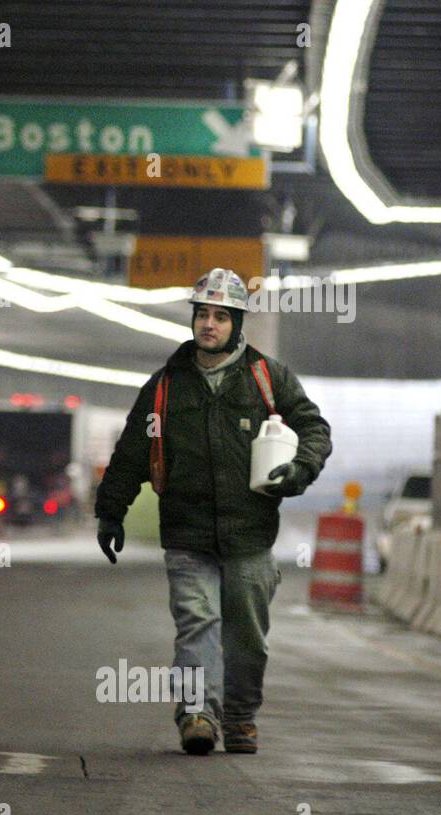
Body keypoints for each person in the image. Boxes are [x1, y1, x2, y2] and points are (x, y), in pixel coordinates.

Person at [93, 268, 332, 755]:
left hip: (250, 533)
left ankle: (241, 717)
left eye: (221, 316)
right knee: (197, 622)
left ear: (237, 324)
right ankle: (197, 714)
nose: (209, 325)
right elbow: (133, 451)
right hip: (187, 532)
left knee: (247, 638)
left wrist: (300, 468)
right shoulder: (165, 387)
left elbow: (314, 428)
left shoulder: (267, 379)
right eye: (203, 314)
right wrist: (110, 510)